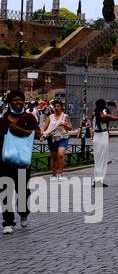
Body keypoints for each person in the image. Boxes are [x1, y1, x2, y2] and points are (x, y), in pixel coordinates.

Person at [1, 90, 40, 234]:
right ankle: (8, 222)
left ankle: (23, 212)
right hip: (5, 162)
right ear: (10, 102)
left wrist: (19, 129)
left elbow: (38, 133)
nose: (19, 102)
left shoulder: (29, 117)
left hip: (23, 161)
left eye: (21, 100)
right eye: (16, 100)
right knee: (5, 191)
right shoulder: (3, 120)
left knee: (22, 191)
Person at [90, 99, 118, 188]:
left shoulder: (94, 114)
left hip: (96, 136)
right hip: (102, 136)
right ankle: (99, 180)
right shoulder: (104, 116)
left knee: (97, 160)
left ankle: (96, 180)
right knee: (102, 160)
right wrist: (117, 107)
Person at [41, 99, 73, 180]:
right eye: (55, 106)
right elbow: (45, 129)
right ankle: (54, 175)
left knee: (61, 155)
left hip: (63, 137)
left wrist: (63, 124)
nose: (56, 107)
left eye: (58, 106)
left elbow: (70, 127)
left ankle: (60, 174)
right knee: (54, 157)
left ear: (61, 107)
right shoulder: (50, 117)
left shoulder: (65, 116)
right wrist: (44, 133)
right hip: (52, 139)